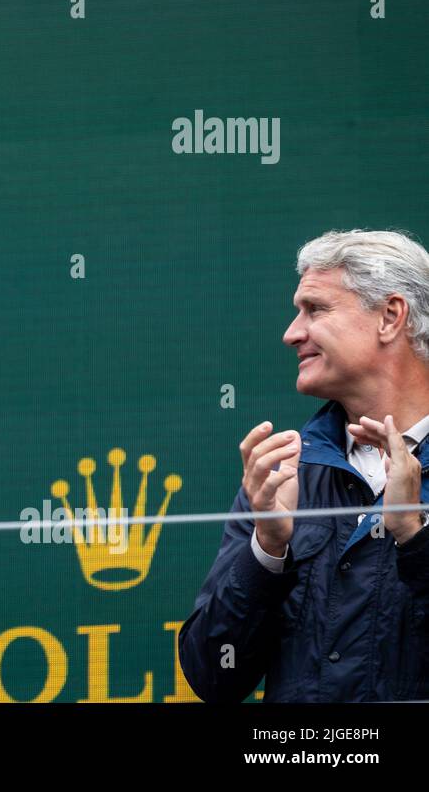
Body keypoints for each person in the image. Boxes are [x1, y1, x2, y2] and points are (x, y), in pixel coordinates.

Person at [179, 229, 429, 702]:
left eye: (315, 309)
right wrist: (267, 550)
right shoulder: (288, 474)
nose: (292, 333)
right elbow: (212, 677)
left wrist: (414, 539)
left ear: (391, 317)